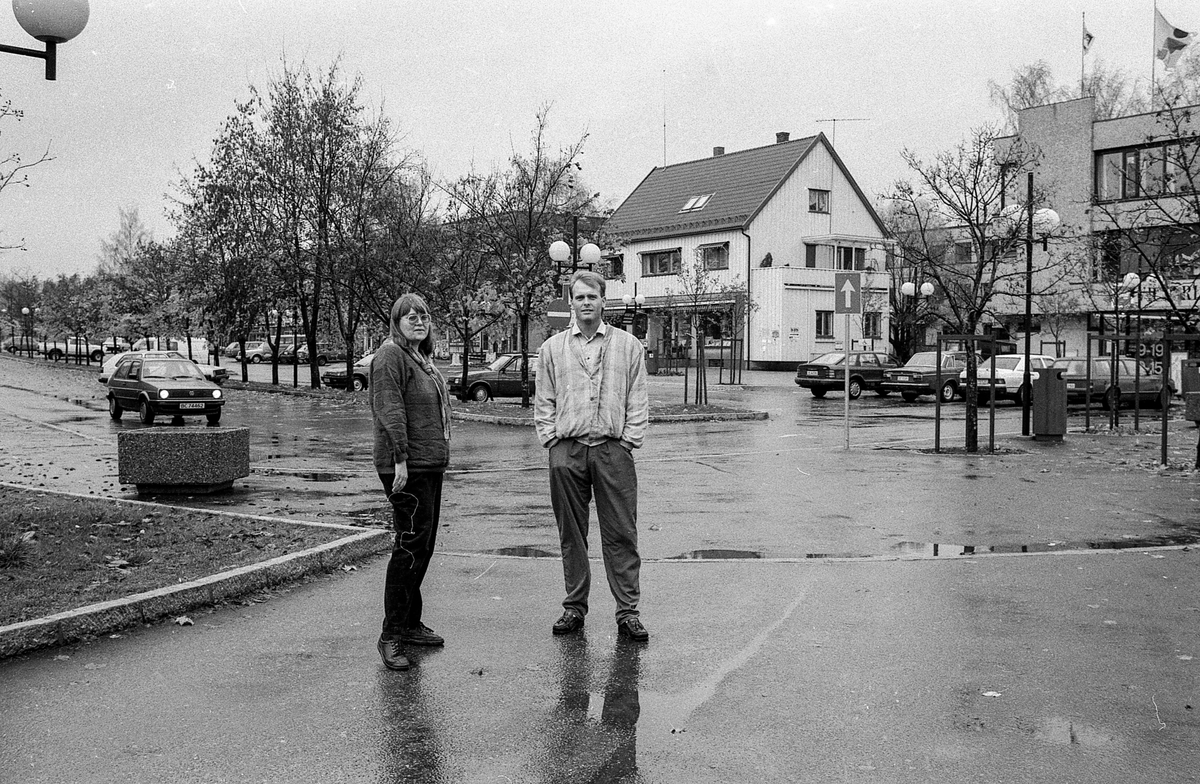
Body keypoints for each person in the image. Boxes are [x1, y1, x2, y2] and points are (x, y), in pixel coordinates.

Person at [534, 269, 650, 642]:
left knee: (621, 534)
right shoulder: (552, 348)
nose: (586, 303)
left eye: (592, 297)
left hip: (613, 450)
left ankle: (627, 611)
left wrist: (629, 441)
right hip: (567, 450)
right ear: (571, 302)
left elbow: (638, 398)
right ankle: (574, 607)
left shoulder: (628, 345)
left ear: (604, 300)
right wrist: (552, 442)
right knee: (572, 534)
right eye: (579, 297)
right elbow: (544, 401)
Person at [370, 293, 452, 671]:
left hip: (428, 464)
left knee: (423, 546)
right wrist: (400, 456)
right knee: (408, 548)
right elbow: (389, 407)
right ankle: (391, 635)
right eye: (409, 316)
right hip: (406, 466)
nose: (418, 320)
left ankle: (410, 623)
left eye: (424, 315)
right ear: (396, 321)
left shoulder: (421, 359)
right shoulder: (391, 355)